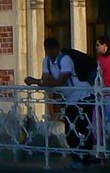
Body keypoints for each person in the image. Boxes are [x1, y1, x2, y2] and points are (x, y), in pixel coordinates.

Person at [25, 36, 92, 164]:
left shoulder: (65, 59)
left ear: (57, 49)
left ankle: (85, 158)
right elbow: (46, 79)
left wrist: (34, 81)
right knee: (69, 129)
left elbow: (59, 81)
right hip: (69, 99)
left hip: (83, 95)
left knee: (83, 127)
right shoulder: (47, 61)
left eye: (52, 50)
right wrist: (43, 81)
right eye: (48, 50)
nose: (50, 53)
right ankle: (76, 158)